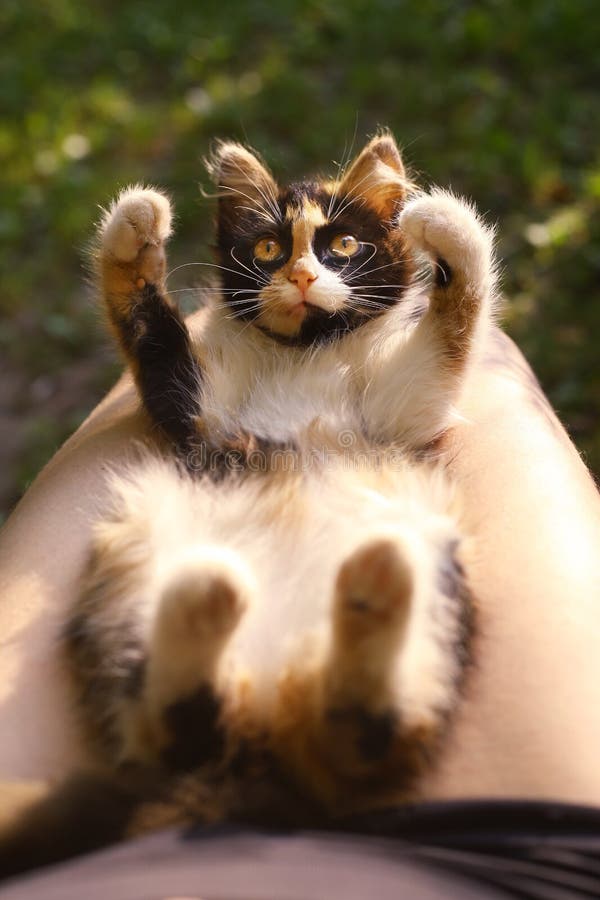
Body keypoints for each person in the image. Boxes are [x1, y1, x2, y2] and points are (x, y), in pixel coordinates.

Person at [1, 316, 600, 802]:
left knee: (144, 508)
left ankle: (182, 707)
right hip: (488, 852)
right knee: (438, 493)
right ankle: (361, 707)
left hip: (83, 848)